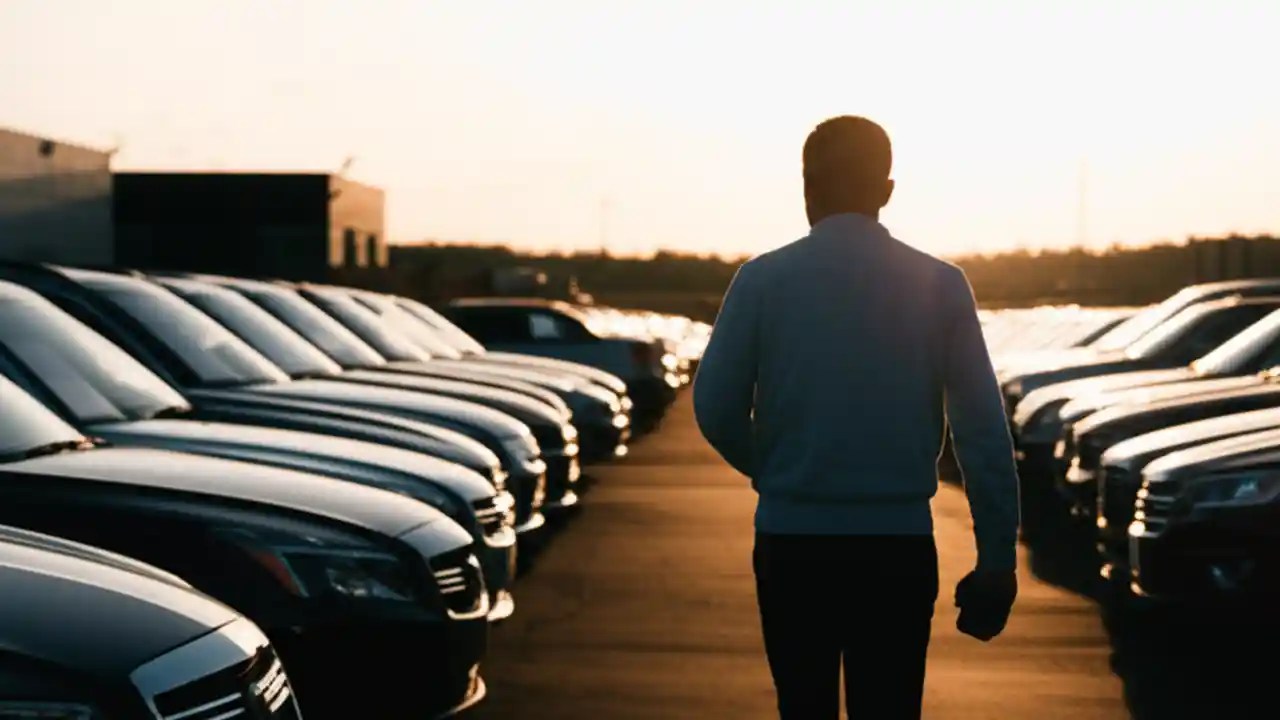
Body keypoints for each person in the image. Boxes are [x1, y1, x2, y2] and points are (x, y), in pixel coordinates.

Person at [692, 115, 1020, 719]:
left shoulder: (762, 281)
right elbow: (981, 432)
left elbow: (714, 406)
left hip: (793, 542)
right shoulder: (941, 285)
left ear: (806, 185)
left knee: (804, 706)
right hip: (896, 545)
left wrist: (776, 470)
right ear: (886, 190)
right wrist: (997, 558)